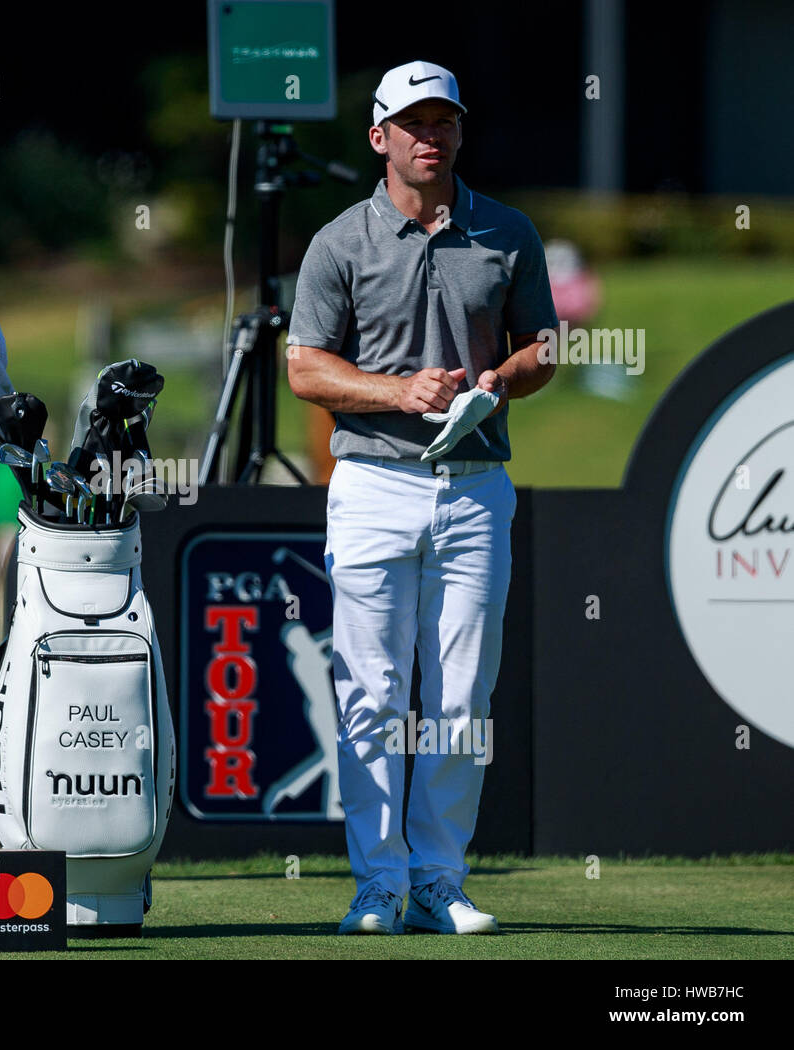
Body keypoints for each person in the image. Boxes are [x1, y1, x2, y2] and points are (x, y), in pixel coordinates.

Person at [286, 60, 558, 935]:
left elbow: (542, 349)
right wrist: (396, 391)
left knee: (460, 696)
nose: (429, 136)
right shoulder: (339, 241)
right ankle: (379, 881)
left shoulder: (507, 231)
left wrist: (500, 380)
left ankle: (440, 877)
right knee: (368, 689)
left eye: (443, 121)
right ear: (380, 138)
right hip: (370, 484)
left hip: (476, 487)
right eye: (413, 123)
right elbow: (305, 366)